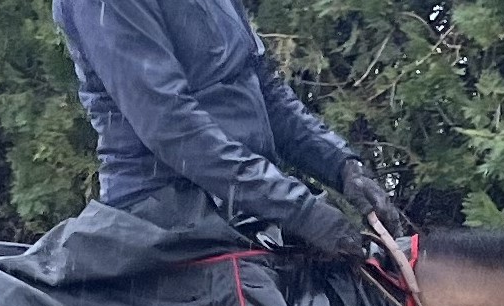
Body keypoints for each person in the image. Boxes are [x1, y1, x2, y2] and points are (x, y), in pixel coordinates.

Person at [52, 0, 405, 257]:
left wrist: (343, 167)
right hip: (164, 218)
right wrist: (300, 210)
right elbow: (171, 126)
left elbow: (268, 92)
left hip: (245, 209)